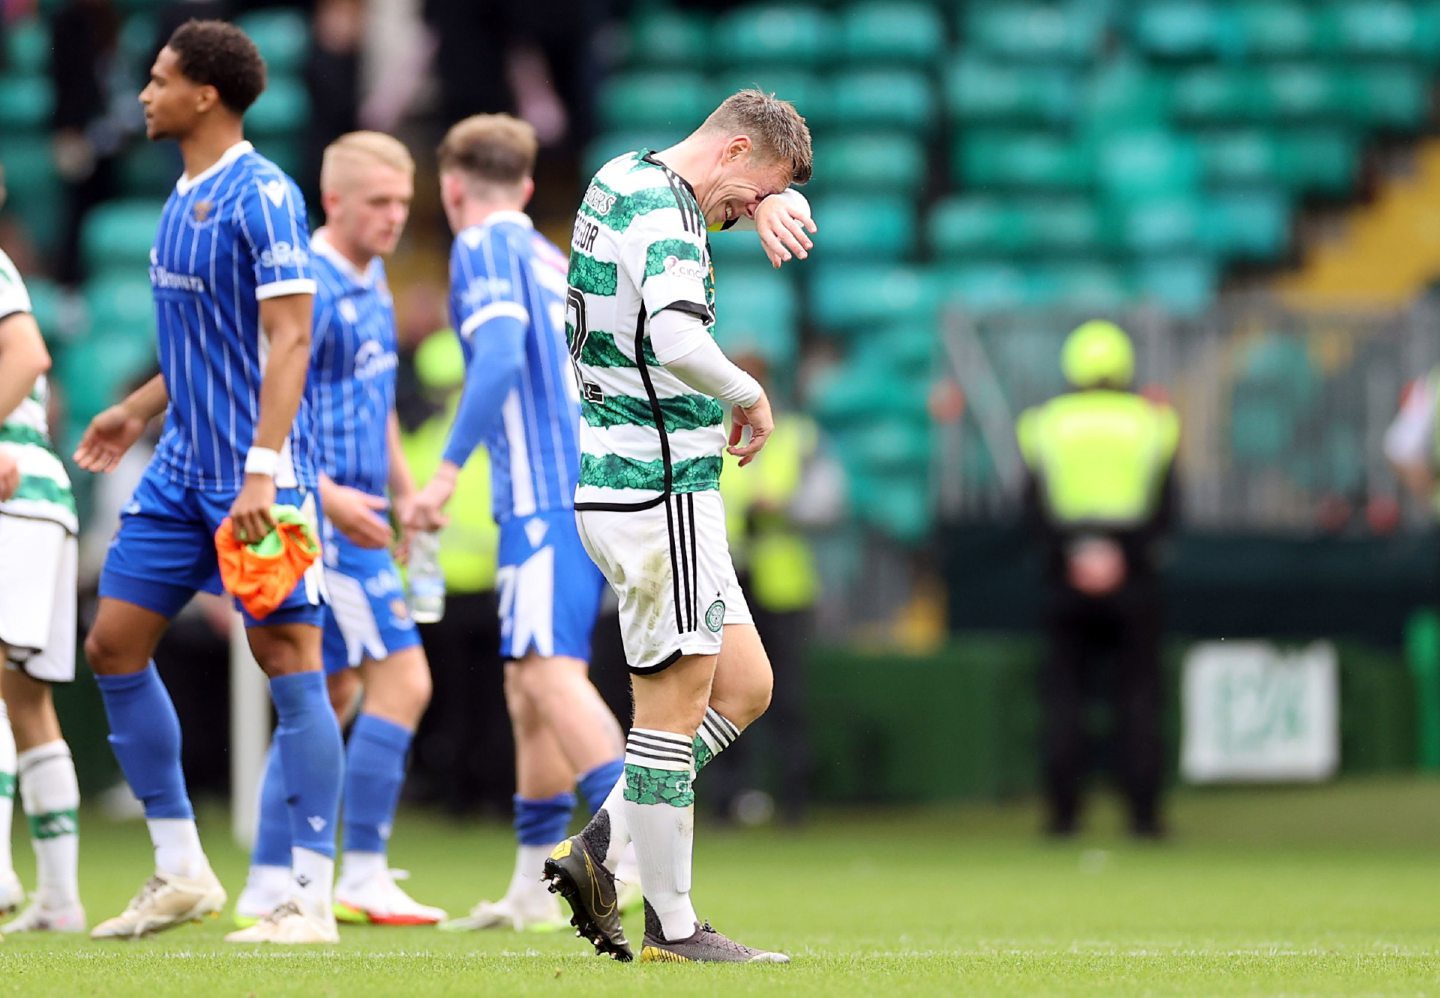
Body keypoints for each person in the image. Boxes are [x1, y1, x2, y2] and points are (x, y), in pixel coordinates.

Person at [72, 20, 344, 944]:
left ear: (206, 96)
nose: (144, 94)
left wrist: (264, 472)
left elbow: (291, 340)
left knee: (289, 664)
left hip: (255, 477)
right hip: (181, 468)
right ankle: (182, 866)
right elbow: (205, 345)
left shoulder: (264, 195)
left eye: (159, 80)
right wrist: (136, 410)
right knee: (113, 643)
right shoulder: (177, 193)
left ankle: (310, 897)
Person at [542, 88, 816, 964]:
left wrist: (779, 194)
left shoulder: (624, 175)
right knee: (669, 714)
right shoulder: (671, 216)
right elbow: (678, 341)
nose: (742, 217)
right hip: (660, 493)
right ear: (733, 149)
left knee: (745, 687)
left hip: (627, 482)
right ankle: (676, 925)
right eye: (750, 194)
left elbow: (731, 188)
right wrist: (750, 391)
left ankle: (601, 846)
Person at [403, 113, 632, 933]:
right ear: (527, 185)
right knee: (525, 688)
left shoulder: (483, 248)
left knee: (545, 676)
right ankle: (532, 892)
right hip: (581, 488)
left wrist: (444, 472)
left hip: (542, 497)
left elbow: (498, 355)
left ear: (452, 186)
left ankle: (628, 846)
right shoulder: (548, 255)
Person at [233, 131, 446, 928]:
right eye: (380, 204)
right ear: (334, 203)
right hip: (316, 515)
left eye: (403, 202)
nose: (396, 218)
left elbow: (376, 395)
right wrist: (329, 494)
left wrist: (405, 490)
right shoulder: (308, 284)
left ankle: (269, 877)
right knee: (401, 681)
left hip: (363, 511)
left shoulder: (376, 276)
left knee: (333, 688)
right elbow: (265, 408)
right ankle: (359, 870)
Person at [1016, 320, 1180, 840]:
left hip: (1066, 578)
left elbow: (1032, 511)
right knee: (1139, 699)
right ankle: (1145, 818)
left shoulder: (1046, 423)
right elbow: (1168, 509)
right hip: (1133, 578)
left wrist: (1075, 555)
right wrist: (1122, 557)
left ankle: (1064, 816)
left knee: (1065, 699)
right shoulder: (1153, 423)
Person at [0, 172, 85, 933]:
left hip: (11, 494)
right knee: (26, 699)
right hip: (40, 499)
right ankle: (59, 899)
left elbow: (27, 353)